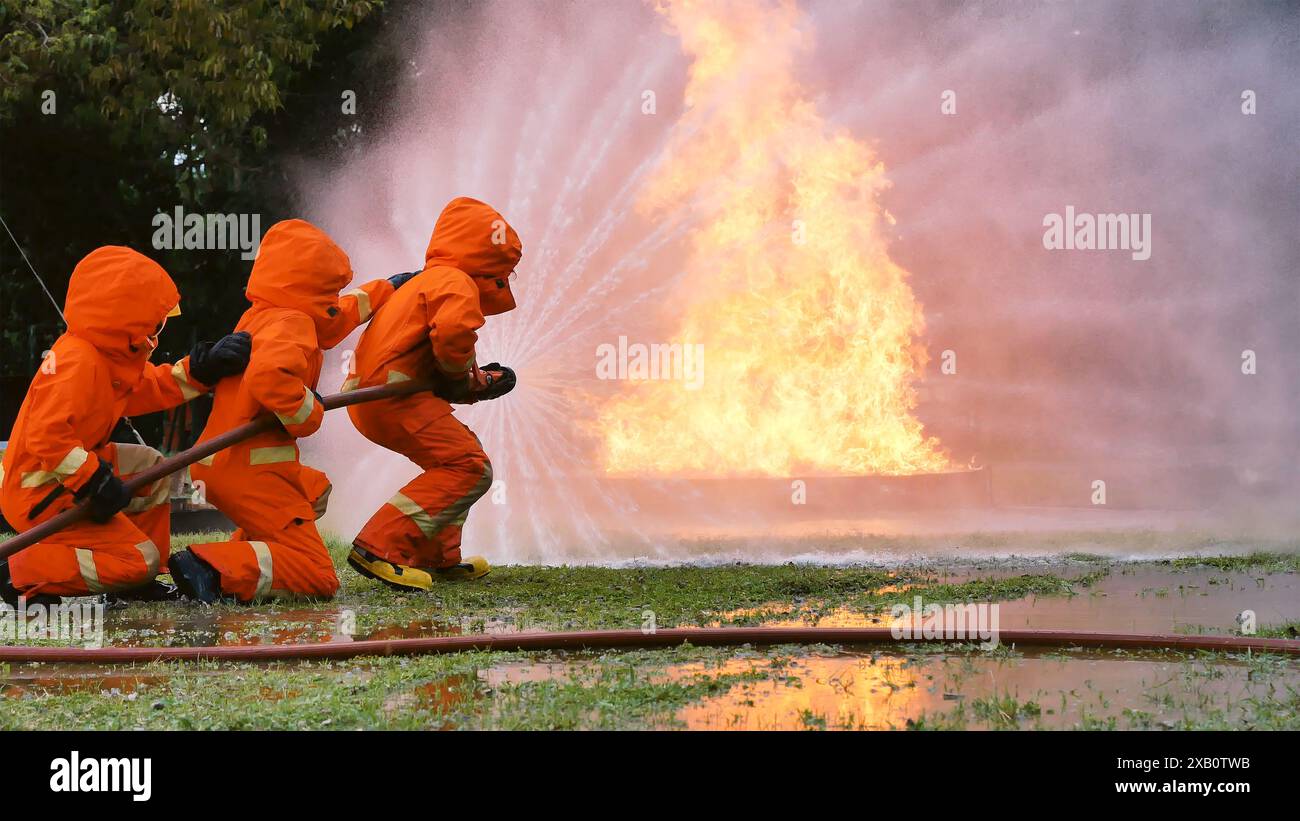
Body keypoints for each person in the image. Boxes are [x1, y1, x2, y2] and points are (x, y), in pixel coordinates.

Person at [170, 219, 404, 603]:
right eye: (330, 289)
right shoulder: (295, 323)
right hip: (252, 468)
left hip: (223, 465)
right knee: (316, 574)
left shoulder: (266, 314)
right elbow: (269, 378)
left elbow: (332, 319)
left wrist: (385, 288)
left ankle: (237, 554)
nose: (335, 298)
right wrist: (311, 412)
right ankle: (210, 566)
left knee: (313, 490)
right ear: (310, 287)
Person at [0, 246, 251, 604]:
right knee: (138, 560)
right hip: (41, 493)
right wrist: (93, 481)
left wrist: (201, 371)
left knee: (150, 466)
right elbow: (47, 437)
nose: (157, 333)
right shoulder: (79, 363)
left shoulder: (105, 356)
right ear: (126, 319)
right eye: (156, 324)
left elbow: (149, 386)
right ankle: (19, 570)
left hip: (57, 480)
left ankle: (139, 584)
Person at [343, 197, 520, 591]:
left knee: (459, 460)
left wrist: (479, 383)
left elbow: (436, 353)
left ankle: (435, 556)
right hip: (394, 398)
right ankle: (381, 546)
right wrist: (468, 384)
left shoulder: (430, 280)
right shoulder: (454, 281)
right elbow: (455, 337)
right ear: (486, 257)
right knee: (470, 467)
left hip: (377, 396)